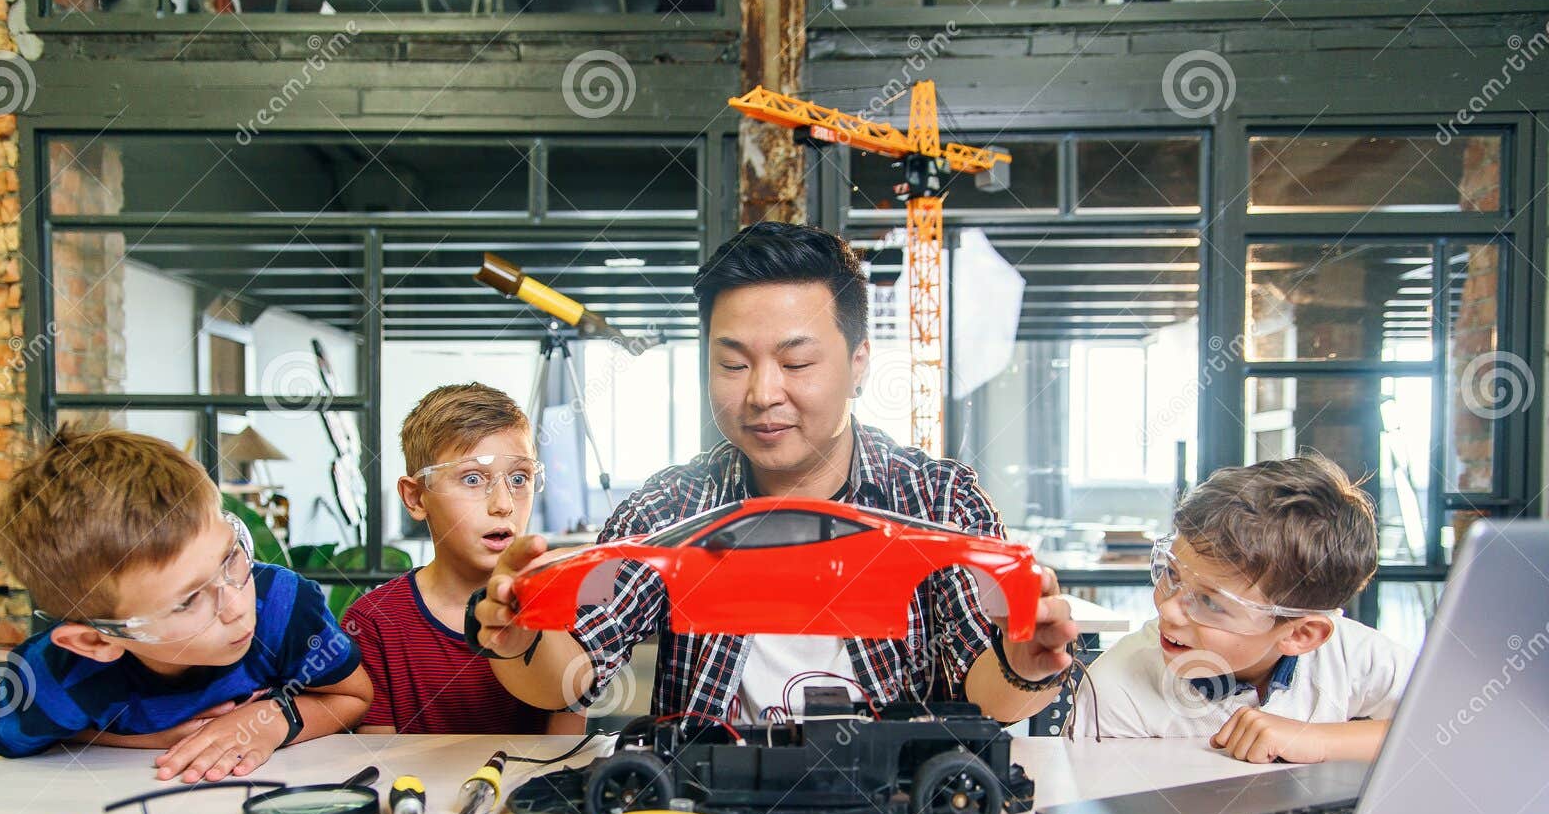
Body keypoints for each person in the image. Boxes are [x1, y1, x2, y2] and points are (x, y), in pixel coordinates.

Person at [470, 221, 1078, 724]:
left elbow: (986, 696)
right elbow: (572, 669)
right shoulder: (671, 507)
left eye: (797, 361)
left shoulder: (935, 500)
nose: (763, 393)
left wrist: (1020, 664)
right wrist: (521, 638)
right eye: (733, 364)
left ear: (858, 362)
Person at [0, 428, 372, 782]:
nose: (236, 605)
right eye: (189, 601)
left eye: (231, 557)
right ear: (97, 642)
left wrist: (273, 718)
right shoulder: (57, 677)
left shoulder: (282, 604)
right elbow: (7, 745)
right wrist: (152, 738)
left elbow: (353, 696)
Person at [1073, 455, 1415, 762]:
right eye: (1172, 574)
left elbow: (1455, 730)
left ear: (1300, 634)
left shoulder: (1353, 656)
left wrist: (1319, 740)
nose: (1169, 610)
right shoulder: (1117, 687)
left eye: (1209, 601)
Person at [345, 383, 581, 735]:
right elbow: (381, 770)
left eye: (519, 478)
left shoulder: (557, 605)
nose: (503, 503)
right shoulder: (375, 625)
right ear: (415, 498)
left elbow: (565, 755)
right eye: (472, 478)